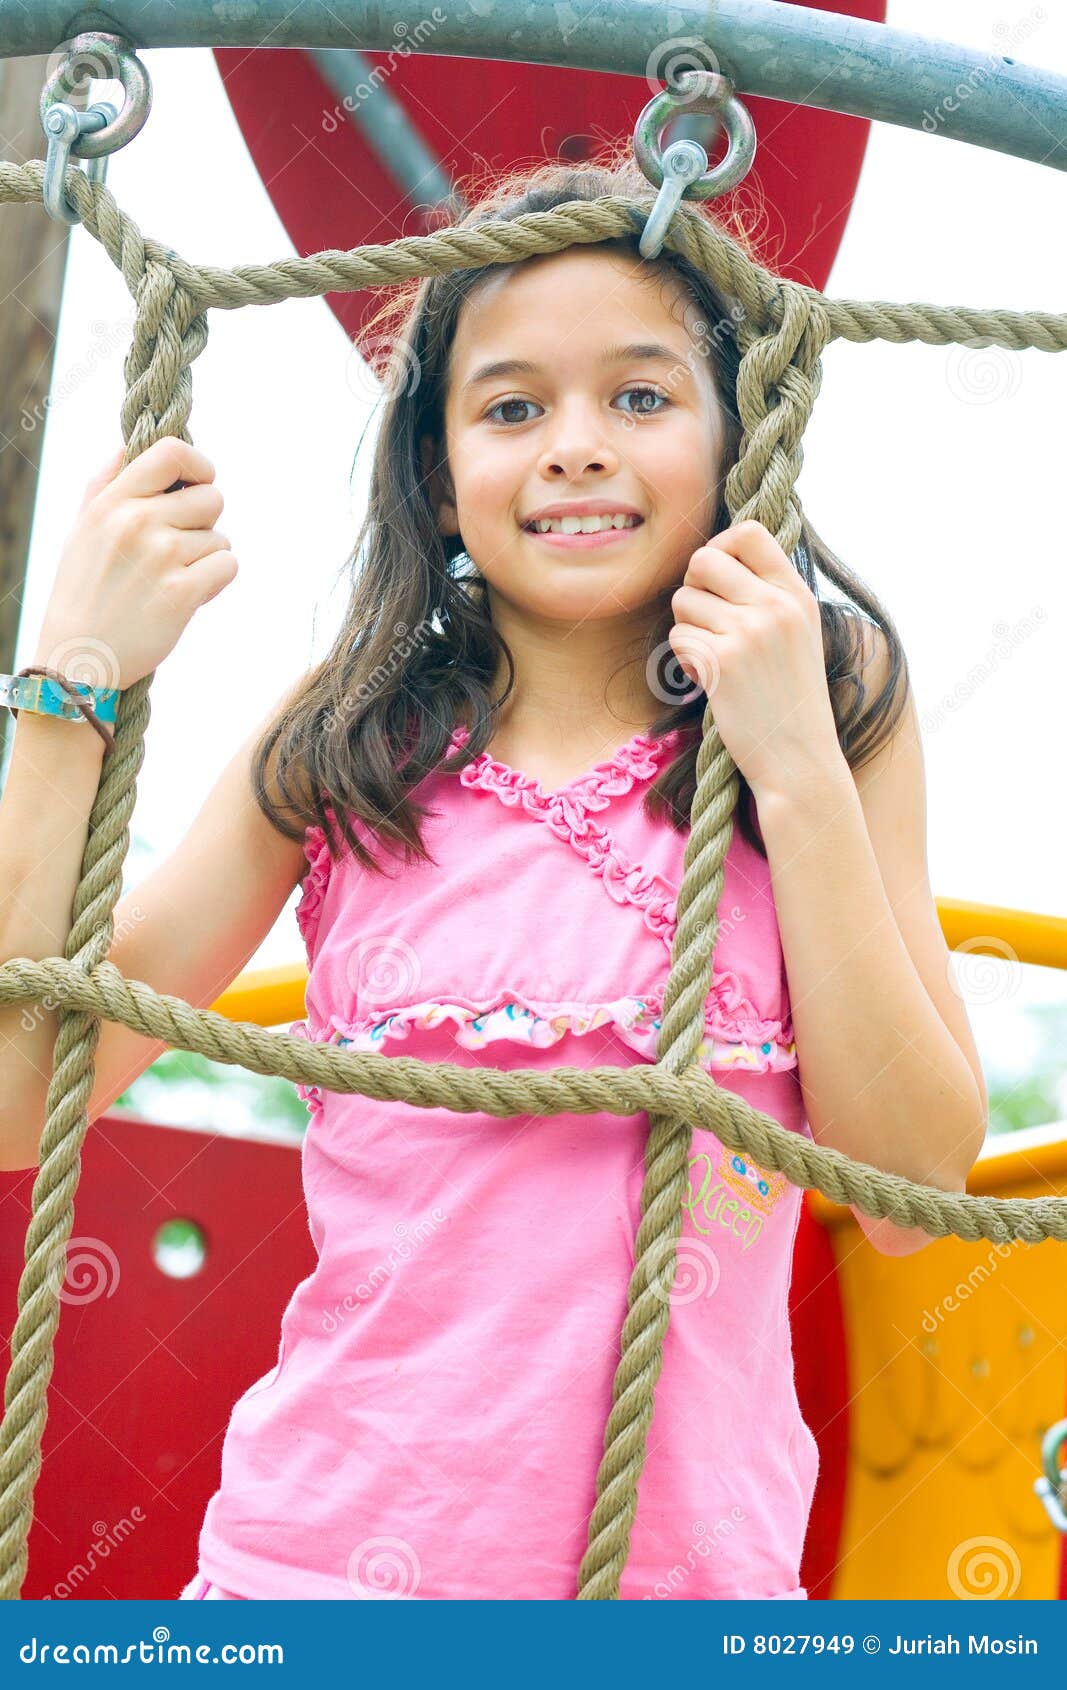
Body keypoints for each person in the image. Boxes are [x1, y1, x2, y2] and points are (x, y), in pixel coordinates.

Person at [0, 150, 987, 1602]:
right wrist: (67, 677)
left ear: (739, 435)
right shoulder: (352, 739)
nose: (575, 446)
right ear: (438, 470)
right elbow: (17, 1090)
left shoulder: (832, 701)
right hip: (321, 1591)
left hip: (678, 1615)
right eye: (512, 407)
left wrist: (792, 768)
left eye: (641, 397)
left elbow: (911, 1191)